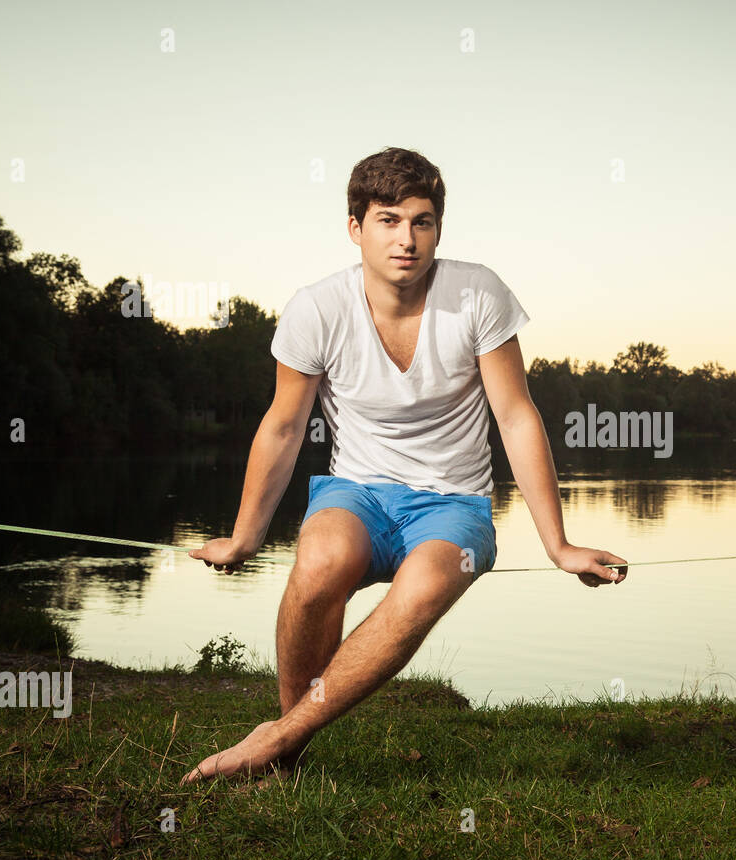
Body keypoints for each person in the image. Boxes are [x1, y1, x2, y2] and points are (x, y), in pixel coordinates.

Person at [182, 147, 627, 783]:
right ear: (355, 227)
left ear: (438, 228)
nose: (407, 239)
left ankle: (275, 740)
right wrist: (247, 534)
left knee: (419, 591)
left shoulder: (478, 293)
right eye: (388, 220)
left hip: (455, 505)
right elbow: (282, 425)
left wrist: (557, 544)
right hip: (355, 493)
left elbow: (517, 416)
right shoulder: (317, 308)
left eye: (422, 221)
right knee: (318, 564)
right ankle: (289, 753)